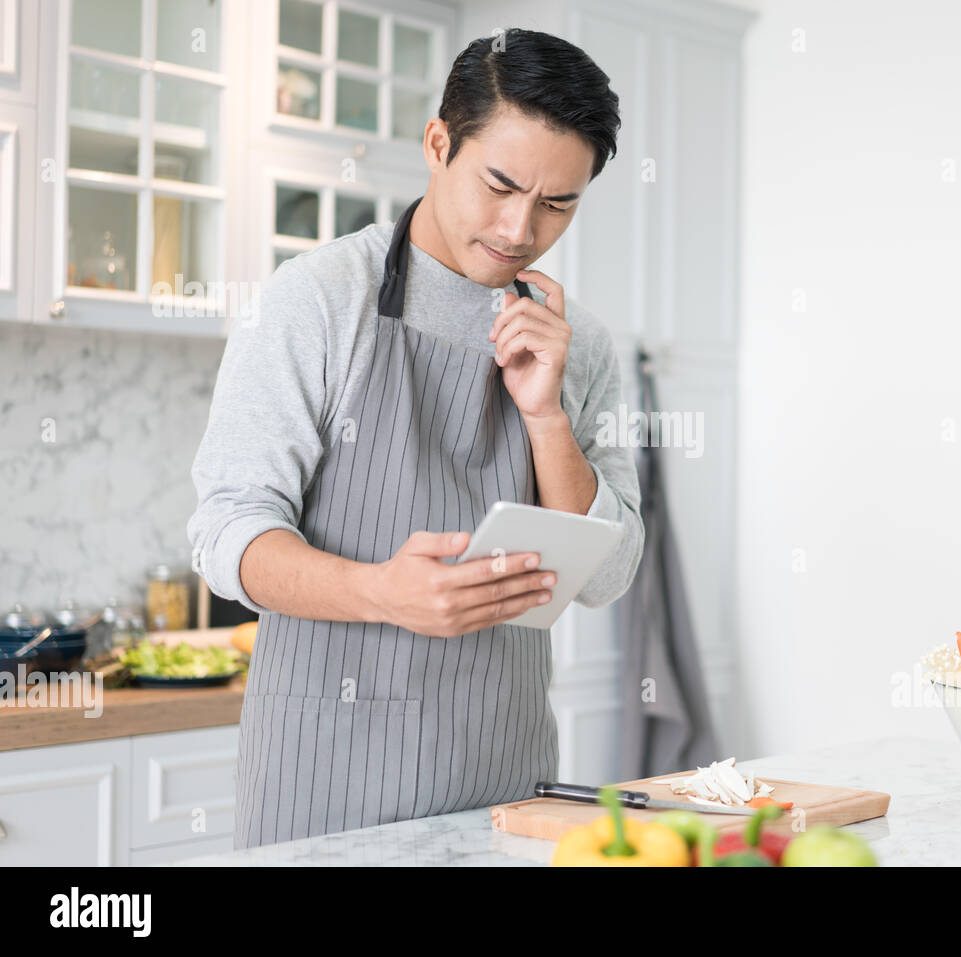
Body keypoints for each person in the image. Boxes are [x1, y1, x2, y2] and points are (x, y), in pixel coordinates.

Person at [187, 28, 642, 849]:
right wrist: (381, 593)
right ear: (439, 142)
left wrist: (546, 414)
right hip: (326, 794)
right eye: (500, 184)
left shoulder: (581, 347)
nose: (519, 228)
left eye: (557, 203)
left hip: (504, 789)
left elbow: (608, 573)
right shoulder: (319, 300)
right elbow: (227, 536)